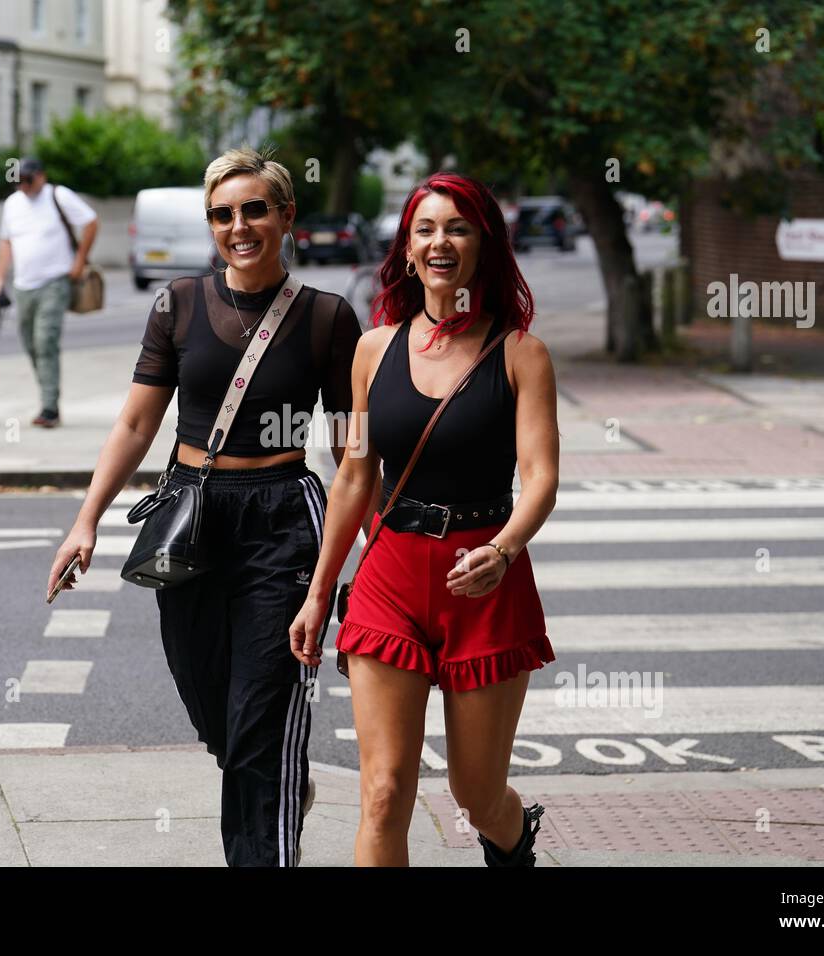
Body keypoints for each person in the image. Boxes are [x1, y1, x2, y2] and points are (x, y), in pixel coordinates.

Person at [46, 145, 376, 866]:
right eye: (222, 215)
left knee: (260, 724)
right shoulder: (180, 304)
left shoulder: (326, 318)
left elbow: (355, 452)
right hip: (188, 518)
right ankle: (278, 784)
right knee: (214, 708)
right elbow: (137, 423)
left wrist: (368, 556)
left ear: (286, 216)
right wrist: (85, 520)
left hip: (283, 521)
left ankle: (268, 819)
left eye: (255, 209)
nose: (239, 226)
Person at [288, 172, 559, 867]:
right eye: (425, 229)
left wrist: (503, 549)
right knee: (382, 794)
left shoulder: (522, 354)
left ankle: (511, 834)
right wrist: (320, 592)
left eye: (459, 227)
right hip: (391, 575)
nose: (441, 242)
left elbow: (542, 480)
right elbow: (354, 475)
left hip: (486, 581)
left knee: (475, 792)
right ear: (407, 250)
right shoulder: (374, 350)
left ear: (485, 246)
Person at [0, 156, 98, 428]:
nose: (23, 187)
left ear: (41, 176)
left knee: (45, 341)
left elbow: (91, 222)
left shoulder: (58, 195)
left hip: (55, 282)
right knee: (29, 343)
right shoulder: (12, 204)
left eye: (27, 180)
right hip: (23, 285)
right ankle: (47, 394)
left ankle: (50, 407)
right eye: (18, 182)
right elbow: (6, 242)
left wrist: (80, 260)